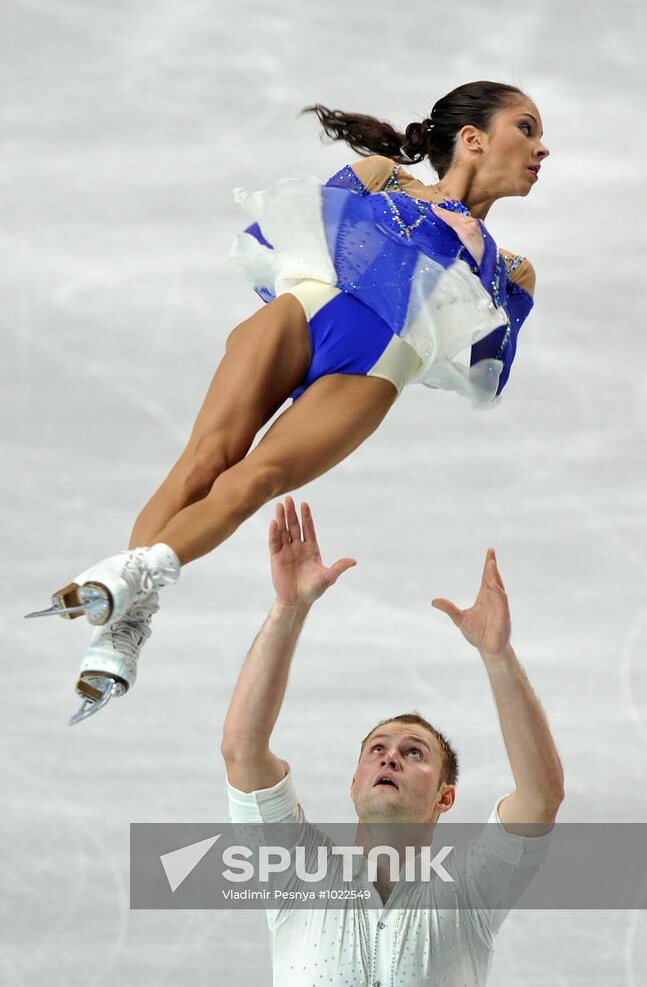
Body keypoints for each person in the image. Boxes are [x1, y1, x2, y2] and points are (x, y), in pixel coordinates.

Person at [26, 81, 550, 723]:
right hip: (303, 312)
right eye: (526, 128)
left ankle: (131, 588)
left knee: (255, 479)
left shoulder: (511, 269)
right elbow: (302, 238)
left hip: (378, 363)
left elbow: (483, 364)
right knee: (204, 461)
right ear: (472, 138)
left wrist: (473, 254)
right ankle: (125, 627)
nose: (541, 148)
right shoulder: (381, 177)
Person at [222, 497, 564, 986]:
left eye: (414, 752)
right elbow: (242, 748)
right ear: (354, 782)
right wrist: (288, 610)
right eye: (377, 749)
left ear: (445, 796)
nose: (391, 757)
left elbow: (541, 796)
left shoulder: (471, 888)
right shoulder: (296, 873)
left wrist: (498, 656)